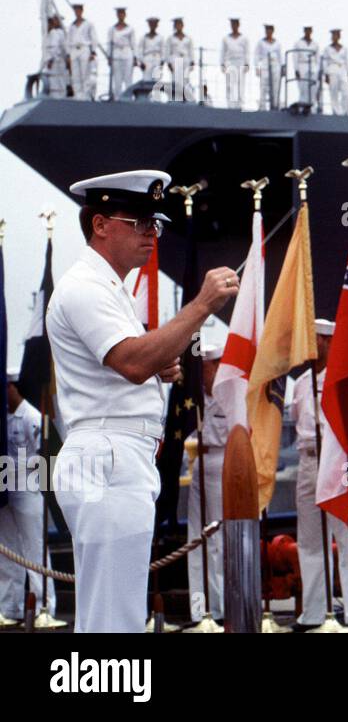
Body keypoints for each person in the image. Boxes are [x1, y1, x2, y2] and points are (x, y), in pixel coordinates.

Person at [47, 170, 238, 632]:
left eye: (155, 223)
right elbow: (131, 362)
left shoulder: (109, 289)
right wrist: (201, 306)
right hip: (109, 453)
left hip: (116, 453)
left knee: (110, 613)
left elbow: (135, 362)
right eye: (139, 222)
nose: (151, 233)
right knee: (116, 618)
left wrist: (160, 365)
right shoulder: (86, 288)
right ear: (100, 225)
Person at [291, 318, 348, 629]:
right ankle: (313, 612)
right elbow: (297, 420)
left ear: (327, 342)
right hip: (309, 463)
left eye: (313, 340)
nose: (308, 347)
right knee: (310, 539)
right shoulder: (300, 384)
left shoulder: (346, 380)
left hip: (344, 463)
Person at [0, 376, 56, 619]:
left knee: (35, 549)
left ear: (11, 387)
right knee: (8, 550)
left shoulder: (32, 416)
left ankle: (44, 606)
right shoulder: (5, 416)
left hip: (27, 488)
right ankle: (10, 607)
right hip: (5, 488)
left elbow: (44, 457)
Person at [185, 342, 230, 623]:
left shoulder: (228, 395)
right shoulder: (194, 397)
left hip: (223, 461)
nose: (200, 373)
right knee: (195, 539)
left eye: (204, 367)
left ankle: (221, 608)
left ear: (215, 365)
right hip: (200, 461)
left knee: (217, 539)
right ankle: (200, 608)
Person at [67, 3, 98, 100]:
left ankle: (86, 96)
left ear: (81, 10)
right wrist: (68, 54)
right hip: (74, 50)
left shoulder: (88, 24)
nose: (77, 12)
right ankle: (78, 95)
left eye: (78, 10)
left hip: (84, 48)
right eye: (75, 10)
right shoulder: (72, 26)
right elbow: (68, 40)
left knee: (85, 74)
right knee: (75, 75)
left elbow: (94, 38)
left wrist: (93, 51)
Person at [105, 7, 136, 99]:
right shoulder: (112, 29)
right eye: (119, 13)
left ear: (125, 15)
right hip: (116, 53)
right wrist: (109, 57)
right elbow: (109, 43)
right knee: (117, 79)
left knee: (128, 78)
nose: (121, 15)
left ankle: (128, 98)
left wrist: (135, 58)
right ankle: (117, 97)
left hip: (127, 53)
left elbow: (133, 44)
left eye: (122, 13)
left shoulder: (130, 29)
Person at [220, 18, 249, 109]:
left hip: (240, 62)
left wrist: (247, 63)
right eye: (232, 24)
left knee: (240, 84)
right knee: (230, 84)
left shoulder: (244, 38)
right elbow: (222, 52)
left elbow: (246, 52)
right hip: (230, 62)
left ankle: (239, 105)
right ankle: (230, 105)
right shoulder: (225, 38)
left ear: (238, 25)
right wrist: (222, 63)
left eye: (235, 24)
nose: (234, 26)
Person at [254, 24, 283, 111]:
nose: (268, 31)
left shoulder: (277, 43)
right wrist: (257, 67)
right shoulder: (260, 42)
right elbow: (256, 55)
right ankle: (262, 106)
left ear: (272, 31)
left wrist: (282, 68)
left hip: (275, 65)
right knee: (263, 86)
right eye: (267, 30)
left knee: (275, 86)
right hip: (265, 64)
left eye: (270, 30)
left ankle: (275, 105)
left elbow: (280, 56)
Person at [165, 17, 194, 102]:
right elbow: (167, 52)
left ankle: (186, 98)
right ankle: (175, 99)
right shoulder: (170, 38)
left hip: (185, 59)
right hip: (175, 59)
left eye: (180, 24)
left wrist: (192, 62)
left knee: (186, 79)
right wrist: (169, 63)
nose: (178, 26)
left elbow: (191, 51)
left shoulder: (188, 38)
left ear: (182, 25)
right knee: (176, 80)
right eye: (177, 24)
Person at [323, 29, 348, 115]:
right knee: (333, 90)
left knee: (346, 91)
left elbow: (347, 61)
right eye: (334, 35)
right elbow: (325, 62)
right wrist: (326, 74)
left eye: (337, 35)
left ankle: (344, 110)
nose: (335, 37)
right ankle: (335, 111)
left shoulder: (344, 48)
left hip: (342, 69)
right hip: (332, 68)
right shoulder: (327, 48)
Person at [291, 26, 320, 109]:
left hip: (313, 66)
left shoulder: (315, 44)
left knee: (313, 88)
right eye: (306, 30)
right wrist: (296, 69)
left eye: (309, 30)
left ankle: (312, 106)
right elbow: (295, 57)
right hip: (302, 65)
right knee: (303, 88)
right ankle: (302, 106)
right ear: (304, 31)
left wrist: (317, 70)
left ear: (311, 31)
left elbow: (317, 58)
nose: (308, 32)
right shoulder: (298, 43)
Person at [42, 14, 69, 97]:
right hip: (53, 61)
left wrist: (51, 59)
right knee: (53, 83)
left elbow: (56, 47)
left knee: (59, 83)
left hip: (57, 61)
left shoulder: (58, 33)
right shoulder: (49, 35)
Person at [137, 17, 165, 86]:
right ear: (149, 25)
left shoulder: (160, 38)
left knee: (157, 81)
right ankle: (146, 96)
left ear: (157, 25)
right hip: (147, 59)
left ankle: (156, 97)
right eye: (151, 24)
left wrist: (162, 62)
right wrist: (141, 62)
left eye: (154, 24)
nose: (153, 25)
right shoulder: (143, 37)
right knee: (146, 80)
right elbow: (140, 51)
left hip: (157, 58)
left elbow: (163, 50)